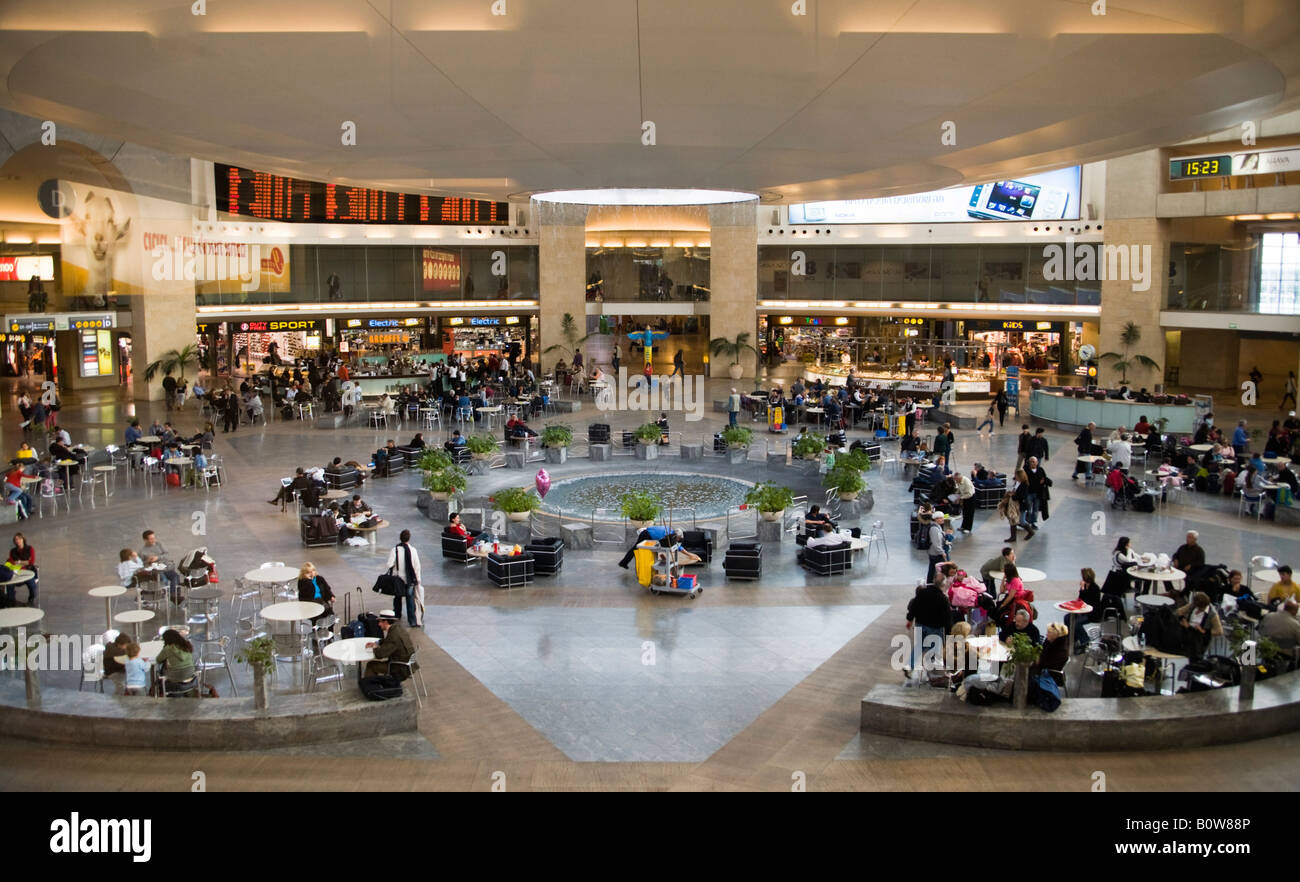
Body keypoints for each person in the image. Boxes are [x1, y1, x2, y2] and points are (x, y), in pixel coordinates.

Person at [904, 580, 950, 672]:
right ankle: (933, 666)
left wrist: (910, 619)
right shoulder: (942, 598)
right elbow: (946, 615)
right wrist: (948, 629)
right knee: (936, 645)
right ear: (943, 585)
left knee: (919, 646)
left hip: (920, 624)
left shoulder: (922, 593)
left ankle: (909, 665)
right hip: (935, 626)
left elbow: (914, 606)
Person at [386, 529, 423, 628]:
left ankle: (397, 615)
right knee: (410, 600)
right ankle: (412, 621)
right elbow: (417, 566)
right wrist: (418, 579)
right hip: (409, 580)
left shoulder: (395, 550)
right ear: (409, 538)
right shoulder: (413, 550)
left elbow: (389, 564)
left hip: (398, 580)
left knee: (397, 598)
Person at [365, 614, 415, 679]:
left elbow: (380, 655)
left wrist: (375, 647)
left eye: (380, 622)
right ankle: (375, 683)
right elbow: (388, 641)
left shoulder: (394, 636)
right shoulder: (398, 628)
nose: (379, 624)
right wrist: (378, 642)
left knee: (371, 665)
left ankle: (370, 686)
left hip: (400, 668)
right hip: (409, 664)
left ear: (385, 622)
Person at [1175, 592, 1222, 660]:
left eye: (1201, 608)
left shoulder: (1212, 614)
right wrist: (1183, 619)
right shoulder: (1193, 605)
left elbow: (1219, 631)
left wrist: (1204, 631)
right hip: (1187, 631)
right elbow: (1179, 612)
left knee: (1194, 656)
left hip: (1199, 639)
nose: (1199, 610)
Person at [155, 629, 197, 696]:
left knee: (162, 671)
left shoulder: (168, 648)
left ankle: (159, 692)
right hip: (190, 674)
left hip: (176, 676)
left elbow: (158, 660)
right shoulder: (186, 645)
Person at [6, 533, 37, 606]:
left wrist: (19, 562)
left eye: (19, 539)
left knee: (32, 584)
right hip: (16, 573)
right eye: (16, 539)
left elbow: (31, 562)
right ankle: (12, 602)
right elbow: (10, 562)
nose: (18, 541)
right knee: (9, 584)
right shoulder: (12, 551)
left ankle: (31, 600)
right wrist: (25, 562)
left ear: (23, 539)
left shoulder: (30, 549)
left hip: (27, 573)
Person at [1023, 456, 1051, 532]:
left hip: (1038, 493)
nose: (1032, 463)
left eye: (1033, 462)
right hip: (1029, 493)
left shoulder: (1040, 470)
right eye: (1031, 461)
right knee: (1028, 509)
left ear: (1037, 462)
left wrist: (1044, 481)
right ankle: (1027, 523)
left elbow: (1045, 479)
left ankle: (1033, 523)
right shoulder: (1026, 470)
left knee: (1035, 509)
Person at [925, 512, 948, 585]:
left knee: (932, 569)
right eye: (940, 518)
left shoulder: (937, 526)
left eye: (942, 517)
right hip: (935, 553)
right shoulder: (934, 528)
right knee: (934, 570)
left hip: (935, 552)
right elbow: (936, 543)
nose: (942, 519)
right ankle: (932, 583)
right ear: (935, 519)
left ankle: (930, 583)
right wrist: (942, 552)